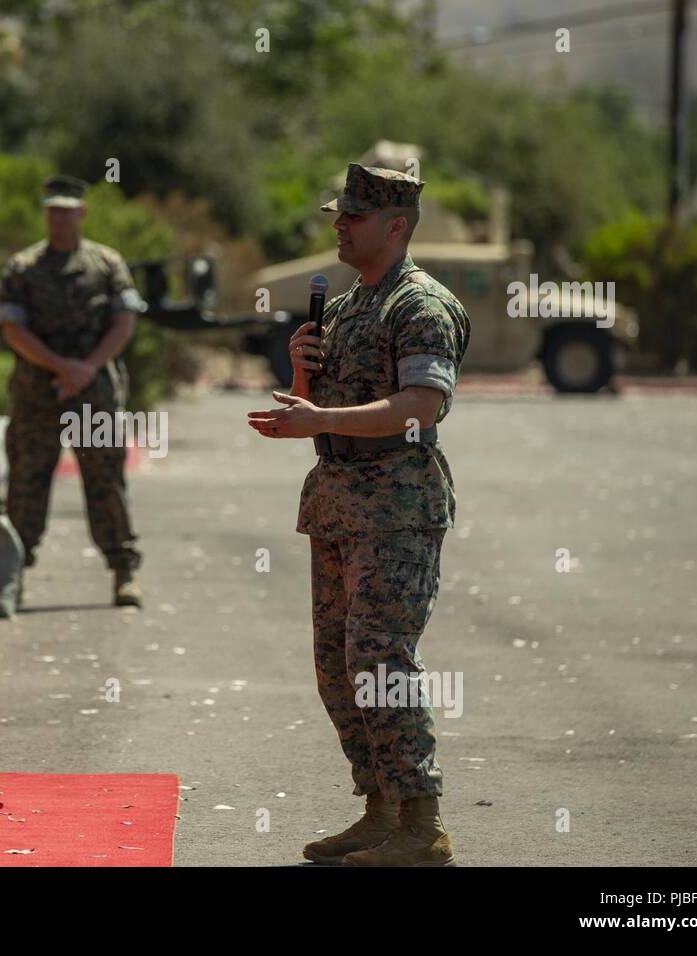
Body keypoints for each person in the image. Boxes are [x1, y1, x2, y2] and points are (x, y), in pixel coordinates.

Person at [246, 163, 470, 867]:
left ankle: (423, 823)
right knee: (337, 668)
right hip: (340, 502)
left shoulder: (420, 306)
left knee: (380, 659)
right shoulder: (345, 307)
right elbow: (317, 409)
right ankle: (380, 811)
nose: (338, 226)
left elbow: (419, 409)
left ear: (395, 225)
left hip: (397, 506)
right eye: (337, 215)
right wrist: (301, 377)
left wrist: (322, 415)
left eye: (353, 217)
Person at [0, 174, 145, 607]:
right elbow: (11, 328)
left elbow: (124, 321)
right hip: (36, 394)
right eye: (52, 210)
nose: (59, 218)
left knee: (106, 483)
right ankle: (13, 574)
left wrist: (87, 369)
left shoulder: (106, 263)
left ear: (81, 212)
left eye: (67, 210)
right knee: (26, 483)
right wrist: (62, 367)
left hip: (94, 394)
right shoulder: (23, 268)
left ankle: (124, 571)